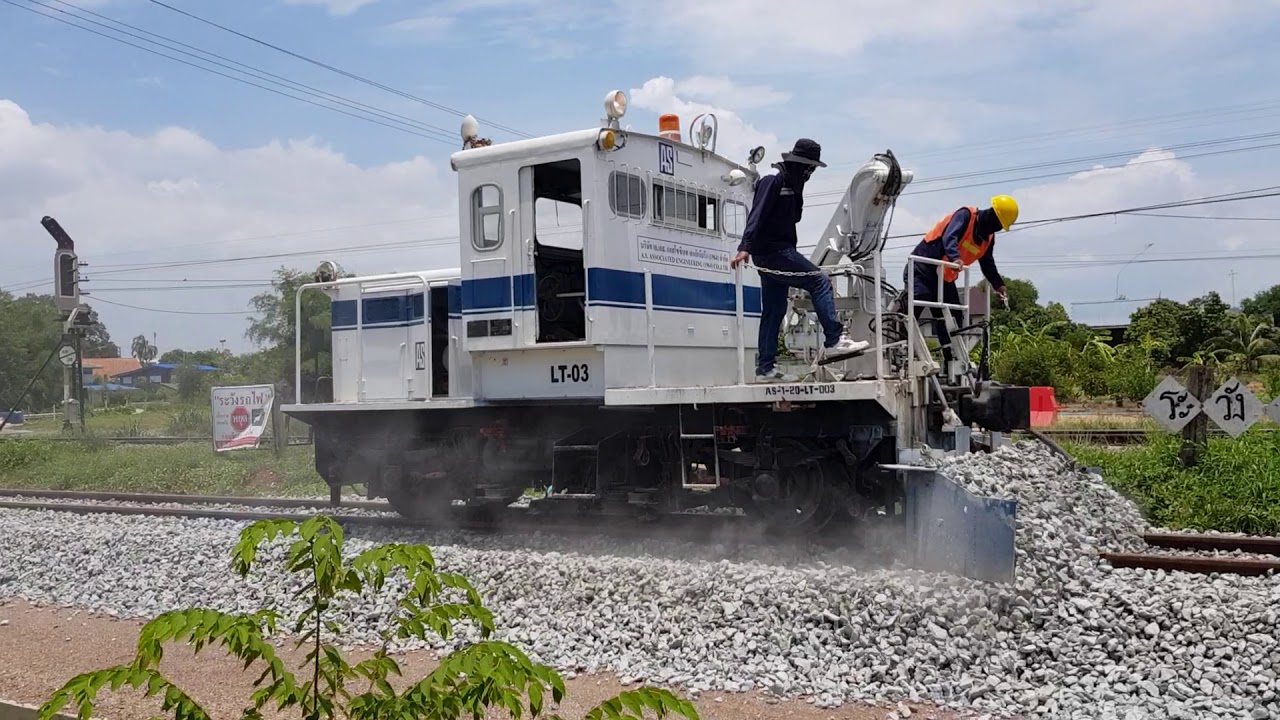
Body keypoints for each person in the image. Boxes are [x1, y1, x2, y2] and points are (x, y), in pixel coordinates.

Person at [730, 138, 869, 383]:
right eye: (810, 168)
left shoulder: (795, 188)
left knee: (774, 310)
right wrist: (745, 247)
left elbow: (794, 219)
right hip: (773, 252)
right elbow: (757, 214)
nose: (811, 173)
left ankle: (765, 369)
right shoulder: (772, 182)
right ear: (800, 165)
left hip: (776, 253)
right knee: (819, 281)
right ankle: (834, 339)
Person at [904, 195, 1018, 365]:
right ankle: (900, 353)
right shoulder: (966, 215)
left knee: (953, 316)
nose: (998, 229)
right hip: (923, 267)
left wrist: (998, 284)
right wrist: (955, 258)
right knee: (913, 308)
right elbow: (950, 236)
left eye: (1001, 227)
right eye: (998, 224)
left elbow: (987, 263)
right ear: (991, 215)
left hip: (943, 277)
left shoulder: (988, 239)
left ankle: (950, 360)